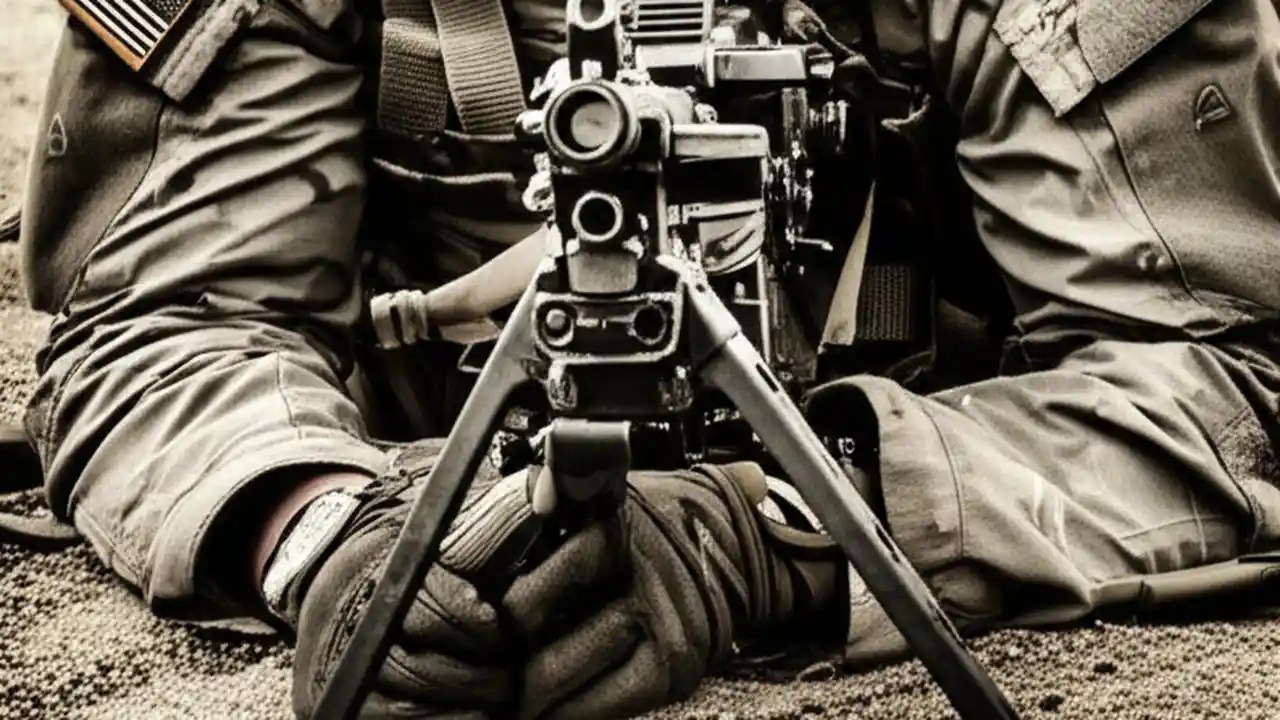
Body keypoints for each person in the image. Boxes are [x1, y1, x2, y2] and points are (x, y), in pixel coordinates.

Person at [16, 0, 1280, 717]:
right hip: (425, 481)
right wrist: (321, 529)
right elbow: (160, 322)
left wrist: (776, 536)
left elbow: (1218, 381)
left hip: (889, 450)